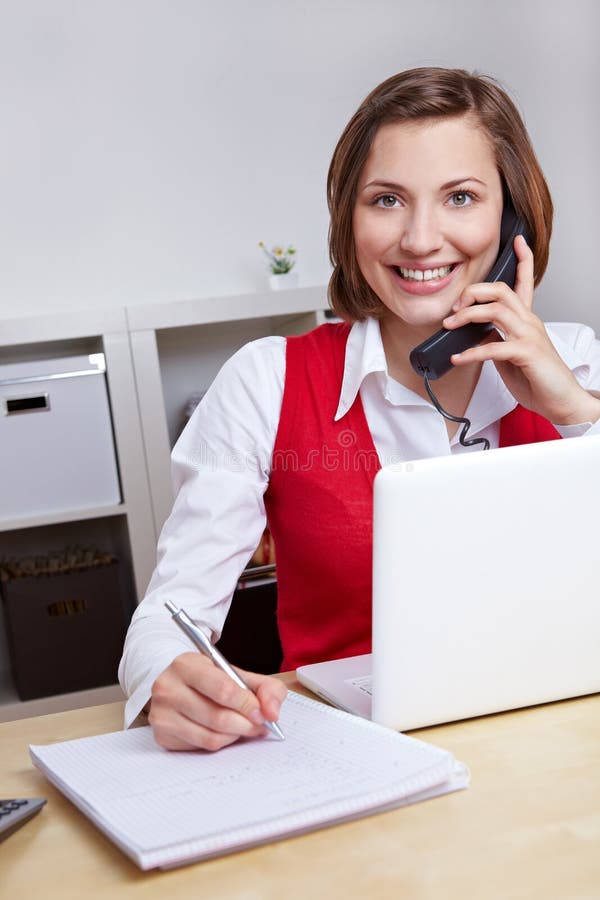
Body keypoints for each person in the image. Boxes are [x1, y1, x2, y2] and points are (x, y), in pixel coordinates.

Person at [118, 67, 600, 751]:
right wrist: (166, 676)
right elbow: (168, 617)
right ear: (350, 218)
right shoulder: (265, 381)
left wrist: (575, 410)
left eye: (461, 196)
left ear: (513, 219)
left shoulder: (577, 362)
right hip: (351, 762)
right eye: (386, 200)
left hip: (557, 749)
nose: (421, 239)